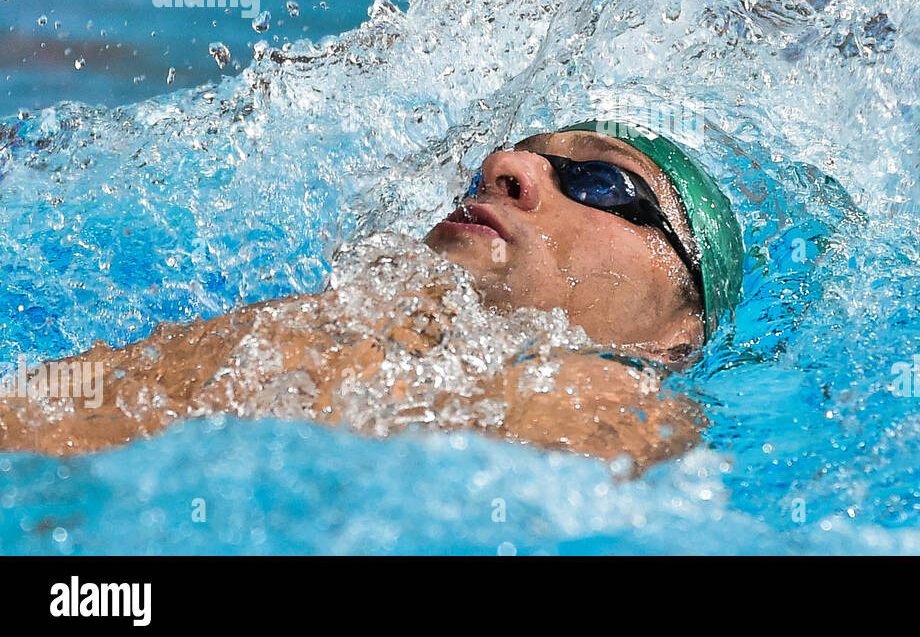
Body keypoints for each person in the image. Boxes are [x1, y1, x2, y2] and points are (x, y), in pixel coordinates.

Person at [0, 121, 745, 471]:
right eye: (525, 149)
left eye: (600, 181)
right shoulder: (317, 323)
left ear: (676, 334)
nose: (505, 164)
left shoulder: (615, 402)